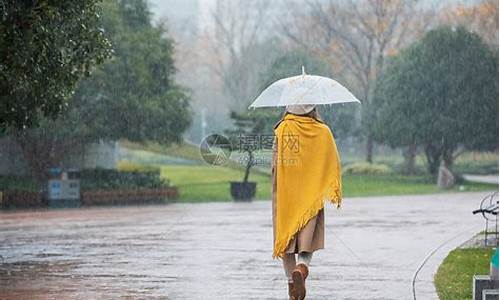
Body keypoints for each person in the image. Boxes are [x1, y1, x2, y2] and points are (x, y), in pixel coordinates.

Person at [272, 104, 342, 300]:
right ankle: (302, 269)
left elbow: (276, 163)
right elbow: (332, 162)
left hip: (287, 194)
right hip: (311, 193)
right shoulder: (323, 131)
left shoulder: (283, 129)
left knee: (286, 240)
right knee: (307, 239)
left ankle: (291, 288)